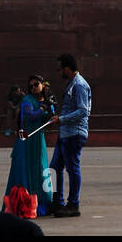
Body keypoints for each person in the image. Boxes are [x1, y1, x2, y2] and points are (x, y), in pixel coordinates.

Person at [47, 53, 91, 217]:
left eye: (59, 70)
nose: (59, 73)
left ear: (66, 69)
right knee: (53, 168)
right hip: (65, 132)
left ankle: (74, 204)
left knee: (72, 168)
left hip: (74, 133)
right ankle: (57, 202)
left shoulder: (79, 85)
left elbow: (83, 111)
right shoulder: (72, 84)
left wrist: (62, 119)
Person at [2, 76, 52, 217]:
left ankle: (42, 205)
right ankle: (23, 206)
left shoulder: (44, 100)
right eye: (31, 86)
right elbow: (31, 115)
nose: (33, 88)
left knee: (41, 170)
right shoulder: (27, 100)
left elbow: (47, 119)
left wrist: (51, 108)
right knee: (24, 173)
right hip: (26, 142)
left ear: (43, 85)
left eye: (36, 84)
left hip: (38, 140)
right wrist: (44, 108)